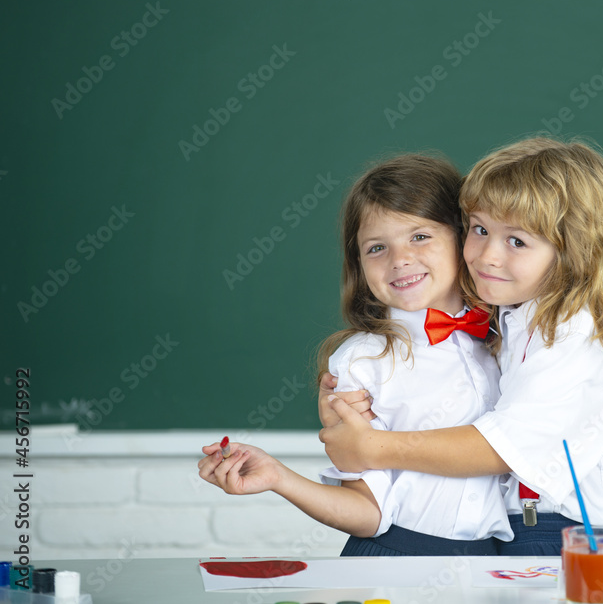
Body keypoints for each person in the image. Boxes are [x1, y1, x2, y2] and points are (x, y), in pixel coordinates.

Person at [320, 136, 603, 555]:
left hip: (561, 534)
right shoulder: (505, 319)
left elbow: (503, 445)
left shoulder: (573, 329)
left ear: (573, 251)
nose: (486, 255)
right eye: (479, 229)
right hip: (513, 533)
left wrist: (371, 447)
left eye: (517, 241)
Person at [198, 154, 512, 556]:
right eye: (377, 247)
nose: (400, 259)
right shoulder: (361, 363)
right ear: (359, 264)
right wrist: (278, 476)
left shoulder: (506, 338)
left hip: (489, 561)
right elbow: (367, 510)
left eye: (419, 236)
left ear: (464, 236)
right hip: (398, 559)